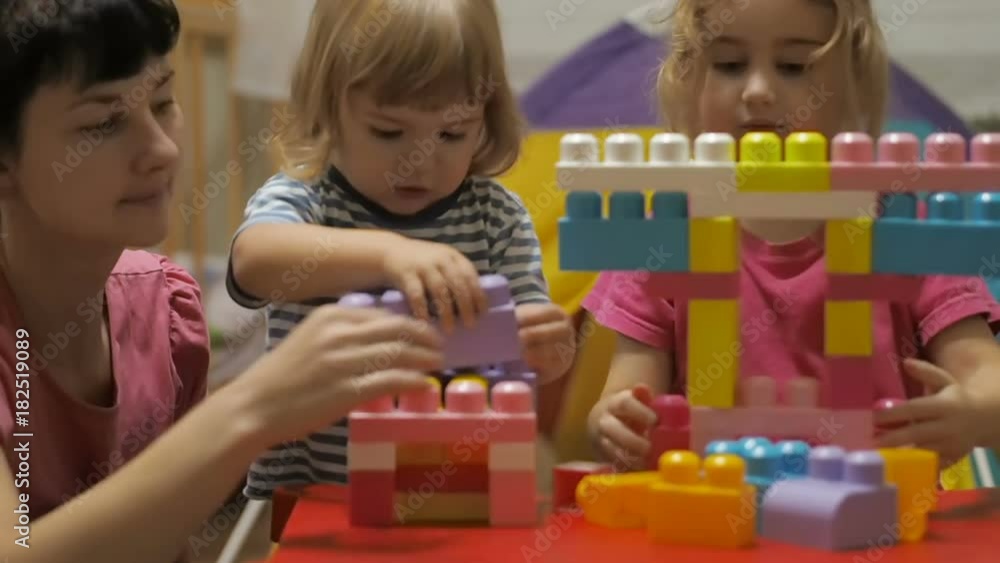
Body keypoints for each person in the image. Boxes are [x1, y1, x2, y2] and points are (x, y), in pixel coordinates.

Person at [0, 2, 446, 562]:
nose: (162, 150)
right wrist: (252, 407)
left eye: (163, 103)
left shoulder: (166, 312)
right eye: (103, 124)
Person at [585, 0, 1000, 471]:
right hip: (712, 502)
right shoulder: (665, 233)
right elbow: (626, 392)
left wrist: (973, 414)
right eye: (729, 64)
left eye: (794, 66)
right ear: (688, 78)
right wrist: (614, 421)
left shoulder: (905, 229)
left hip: (877, 503)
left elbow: (987, 378)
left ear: (852, 84)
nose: (758, 91)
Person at [227, 0, 575, 500]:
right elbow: (254, 262)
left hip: (457, 496)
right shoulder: (307, 196)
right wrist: (388, 254)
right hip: (315, 493)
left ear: (486, 117)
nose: (420, 160)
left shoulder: (496, 218)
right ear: (329, 110)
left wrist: (551, 350)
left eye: (452, 134)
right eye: (388, 132)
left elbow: (531, 336)